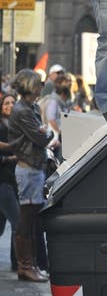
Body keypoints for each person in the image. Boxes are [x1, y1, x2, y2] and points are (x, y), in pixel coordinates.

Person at [7, 70, 55, 283]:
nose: (40, 88)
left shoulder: (30, 107)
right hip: (28, 168)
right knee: (26, 220)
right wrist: (48, 133)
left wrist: (45, 133)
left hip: (34, 167)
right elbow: (40, 136)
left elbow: (41, 134)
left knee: (32, 218)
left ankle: (31, 265)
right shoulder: (22, 110)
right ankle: (25, 266)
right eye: (37, 85)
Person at [0, 93, 19, 274]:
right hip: (3, 182)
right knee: (18, 222)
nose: (10, 105)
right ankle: (19, 263)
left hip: (12, 181)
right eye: (6, 103)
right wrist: (13, 157)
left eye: (13, 102)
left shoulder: (14, 124)